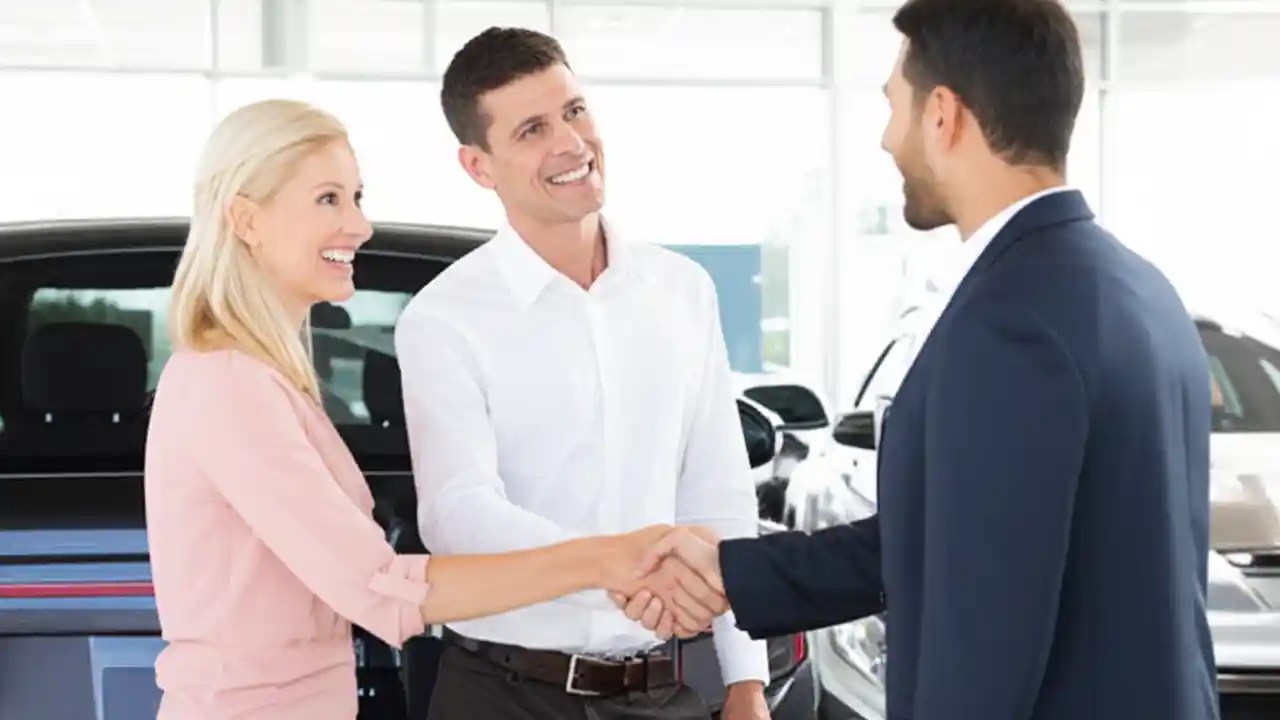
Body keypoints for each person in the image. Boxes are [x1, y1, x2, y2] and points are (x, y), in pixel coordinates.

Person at [632, 1, 1221, 719]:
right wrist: (731, 570)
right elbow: (962, 534)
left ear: (943, 114)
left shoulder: (1010, 320)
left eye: (894, 105)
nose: (886, 139)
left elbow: (985, 627)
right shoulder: (1138, 288)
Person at [143, 98, 671, 720]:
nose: (360, 226)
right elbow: (381, 589)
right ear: (246, 219)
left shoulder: (263, 378)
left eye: (357, 198)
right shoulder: (228, 385)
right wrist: (602, 559)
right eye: (328, 199)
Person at [393, 27, 771, 720]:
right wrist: (617, 563)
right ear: (479, 166)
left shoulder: (682, 289)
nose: (569, 143)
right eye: (532, 129)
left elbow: (717, 491)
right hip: (500, 696)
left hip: (661, 689)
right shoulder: (443, 318)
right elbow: (459, 514)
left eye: (574, 111)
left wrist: (746, 678)